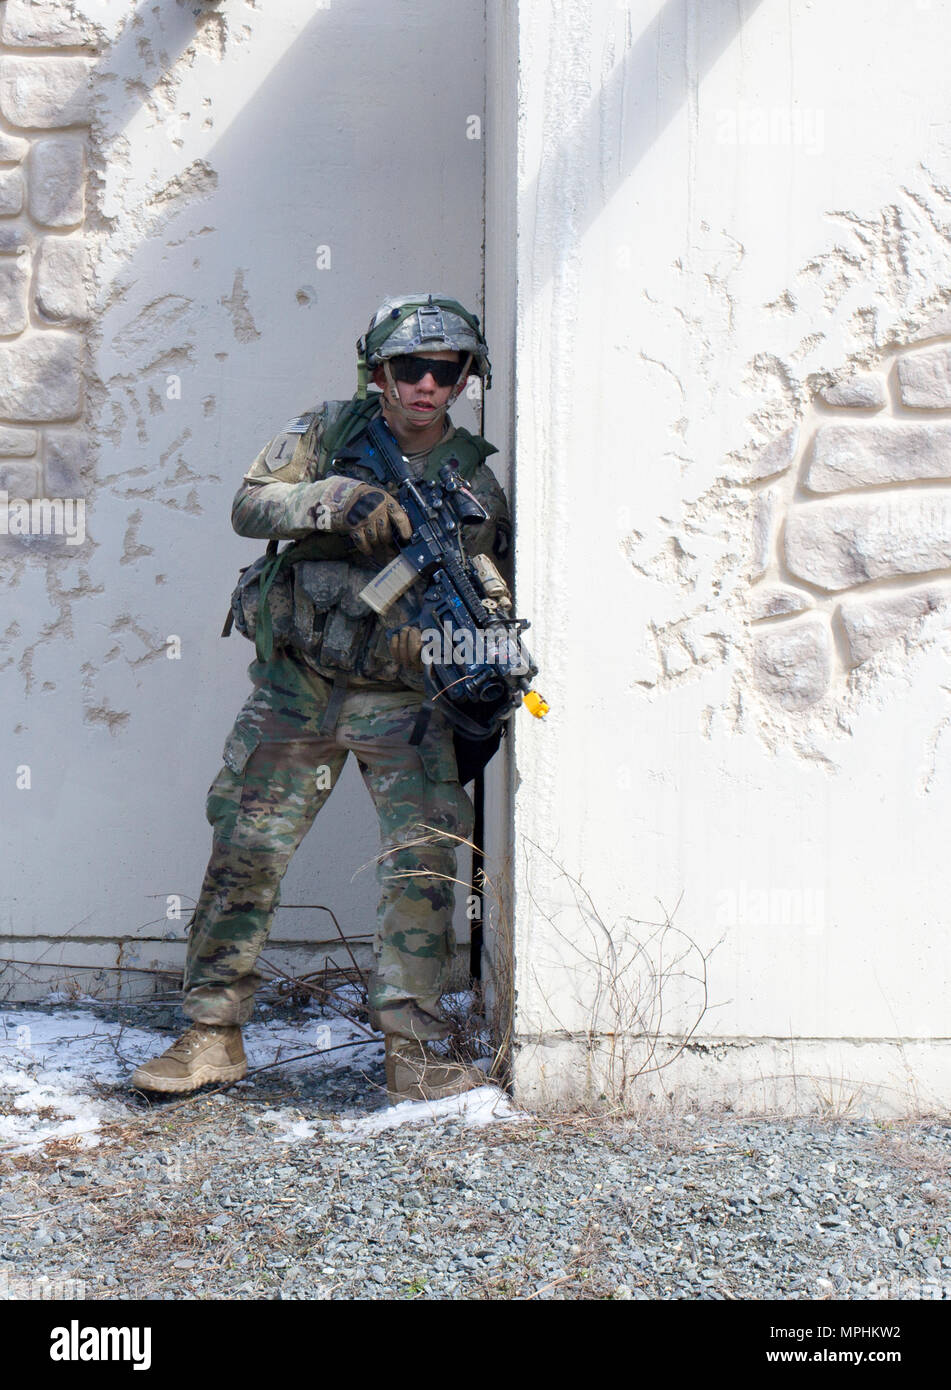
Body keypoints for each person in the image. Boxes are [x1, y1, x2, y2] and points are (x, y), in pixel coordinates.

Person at [130, 295, 512, 1102]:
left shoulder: (473, 480)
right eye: (408, 368)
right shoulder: (329, 434)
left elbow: (487, 592)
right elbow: (249, 504)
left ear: (463, 379)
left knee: (424, 864)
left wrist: (462, 658)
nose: (426, 385)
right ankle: (209, 1035)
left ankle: (413, 1049)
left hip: (403, 701)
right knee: (246, 852)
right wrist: (333, 500)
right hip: (297, 686)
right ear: (378, 372)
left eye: (445, 371)